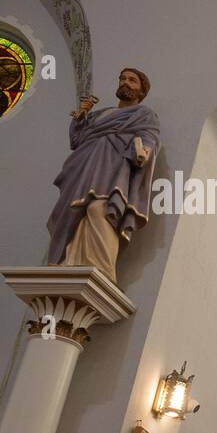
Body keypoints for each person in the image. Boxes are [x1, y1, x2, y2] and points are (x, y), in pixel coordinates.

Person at [47, 67, 160, 282]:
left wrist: (144, 151)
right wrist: (81, 116)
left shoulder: (143, 114)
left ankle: (102, 272)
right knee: (74, 210)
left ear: (141, 91)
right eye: (122, 79)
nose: (125, 82)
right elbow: (76, 141)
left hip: (113, 167)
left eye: (132, 80)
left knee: (100, 209)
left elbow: (149, 136)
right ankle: (66, 261)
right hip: (84, 166)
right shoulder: (100, 114)